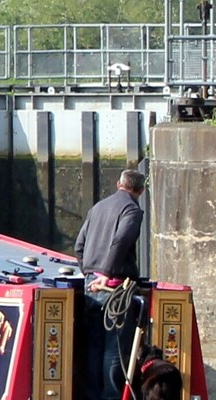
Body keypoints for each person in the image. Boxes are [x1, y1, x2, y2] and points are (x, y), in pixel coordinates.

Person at [76, 169, 148, 400]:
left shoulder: (97, 207)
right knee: (114, 348)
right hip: (115, 287)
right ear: (141, 190)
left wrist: (90, 273)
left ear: (119, 184)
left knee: (93, 345)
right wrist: (105, 275)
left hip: (90, 285)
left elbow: (79, 245)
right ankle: (111, 397)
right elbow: (121, 241)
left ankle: (90, 396)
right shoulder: (132, 210)